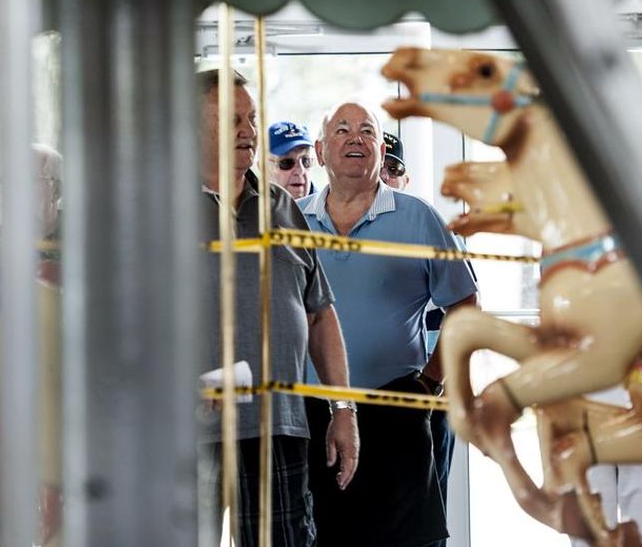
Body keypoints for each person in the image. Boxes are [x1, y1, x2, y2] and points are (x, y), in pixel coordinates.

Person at [298, 102, 478, 547]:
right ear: (321, 151)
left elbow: (466, 306)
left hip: (395, 409)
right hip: (311, 413)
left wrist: (431, 381)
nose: (354, 138)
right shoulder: (291, 217)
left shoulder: (418, 218)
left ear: (381, 149)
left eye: (366, 131)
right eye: (341, 130)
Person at [198, 69, 359, 547]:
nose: (248, 131)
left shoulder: (282, 208)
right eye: (232, 120)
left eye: (251, 118)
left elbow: (319, 313)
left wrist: (343, 408)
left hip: (278, 429)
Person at [379, 133, 455, 541]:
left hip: (428, 394)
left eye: (396, 169)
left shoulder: (425, 224)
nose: (387, 176)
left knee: (427, 514)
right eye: (382, 166)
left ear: (405, 180)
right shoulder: (342, 226)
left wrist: (432, 382)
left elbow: (464, 308)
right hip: (368, 401)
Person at [268, 121, 317, 200]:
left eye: (306, 161)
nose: (300, 171)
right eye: (286, 163)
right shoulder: (249, 209)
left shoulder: (328, 209)